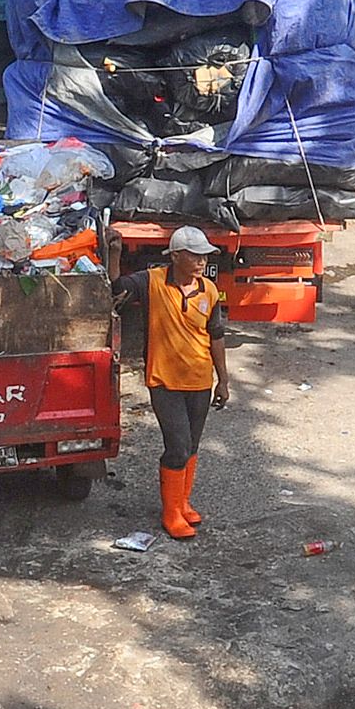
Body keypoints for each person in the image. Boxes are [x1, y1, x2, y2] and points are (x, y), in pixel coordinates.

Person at [114, 225, 230, 539]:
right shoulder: (151, 282)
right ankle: (170, 514)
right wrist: (113, 253)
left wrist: (223, 380)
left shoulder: (208, 289)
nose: (201, 261)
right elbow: (116, 288)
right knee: (176, 447)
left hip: (200, 381)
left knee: (191, 446)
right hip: (164, 382)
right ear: (175, 256)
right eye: (195, 255)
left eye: (205, 255)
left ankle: (182, 503)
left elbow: (215, 335)